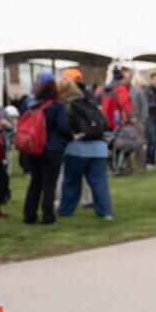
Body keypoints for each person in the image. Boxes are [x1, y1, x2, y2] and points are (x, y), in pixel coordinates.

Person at [21, 74, 73, 226]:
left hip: (33, 147)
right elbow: (63, 126)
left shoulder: (30, 103)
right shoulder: (57, 105)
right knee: (49, 184)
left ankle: (29, 216)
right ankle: (48, 218)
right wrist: (71, 136)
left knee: (35, 182)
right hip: (52, 148)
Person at [56, 79, 113, 220]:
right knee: (99, 182)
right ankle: (105, 212)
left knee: (72, 182)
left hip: (77, 148)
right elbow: (104, 122)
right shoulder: (90, 102)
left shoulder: (66, 106)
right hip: (99, 149)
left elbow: (64, 127)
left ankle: (66, 210)